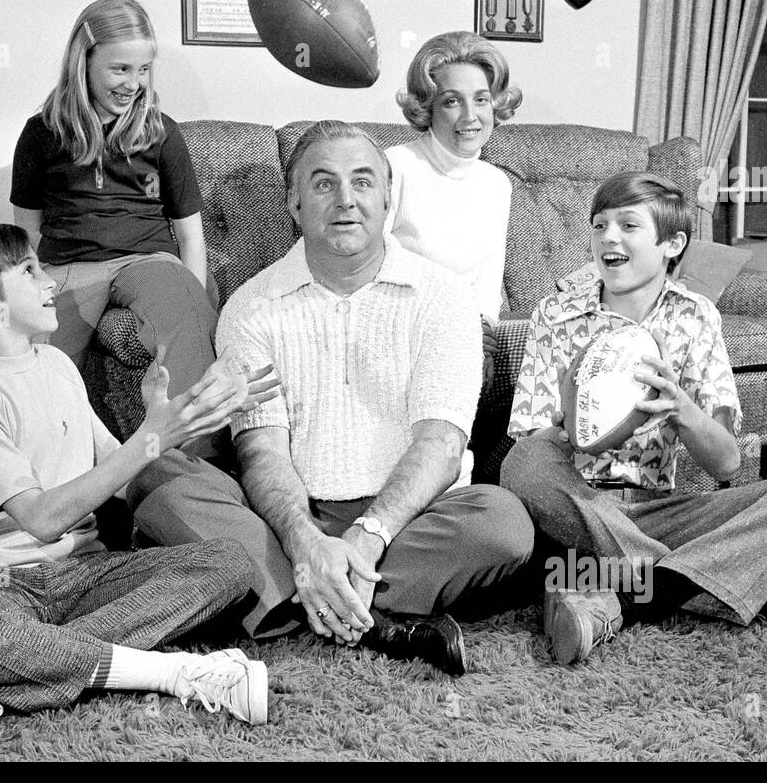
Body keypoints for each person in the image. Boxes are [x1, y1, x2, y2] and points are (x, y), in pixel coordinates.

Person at [127, 121, 536, 676]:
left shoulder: (444, 299)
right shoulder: (252, 308)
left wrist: (366, 539)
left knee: (502, 522)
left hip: (412, 519)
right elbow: (262, 454)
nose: (346, 200)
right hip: (291, 514)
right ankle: (379, 614)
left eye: (362, 182)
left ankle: (292, 603)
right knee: (162, 480)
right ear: (294, 204)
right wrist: (305, 543)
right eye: (323, 184)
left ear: (387, 199)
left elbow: (441, 444)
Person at [0, 223, 281, 738]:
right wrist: (152, 437)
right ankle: (173, 674)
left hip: (87, 575)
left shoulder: (57, 364)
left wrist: (171, 422)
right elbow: (41, 518)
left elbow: (118, 477)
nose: (50, 281)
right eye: (30, 271)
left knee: (230, 564)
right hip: (0, 584)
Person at [500, 171, 767, 664]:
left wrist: (681, 409)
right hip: (577, 509)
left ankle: (621, 591)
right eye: (599, 224)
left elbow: (728, 465)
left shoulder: (696, 318)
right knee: (522, 461)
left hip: (664, 510)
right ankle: (724, 578)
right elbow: (533, 451)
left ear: (672, 243)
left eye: (628, 225)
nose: (608, 237)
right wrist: (572, 418)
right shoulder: (555, 314)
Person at [9, 0, 219, 454]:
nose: (133, 84)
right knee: (39, 373)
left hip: (148, 259)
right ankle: (56, 499)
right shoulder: (42, 133)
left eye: (143, 70)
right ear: (83, 61)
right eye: (120, 69)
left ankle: (193, 474)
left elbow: (189, 234)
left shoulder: (163, 132)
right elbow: (25, 235)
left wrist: (194, 298)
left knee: (186, 314)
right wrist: (29, 294)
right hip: (69, 265)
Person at [386, 31, 522, 387]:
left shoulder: (496, 183)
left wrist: (484, 345)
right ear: (427, 107)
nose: (470, 116)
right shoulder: (396, 166)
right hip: (400, 339)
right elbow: (371, 273)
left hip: (463, 344)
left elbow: (487, 283)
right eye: (451, 102)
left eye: (480, 100)